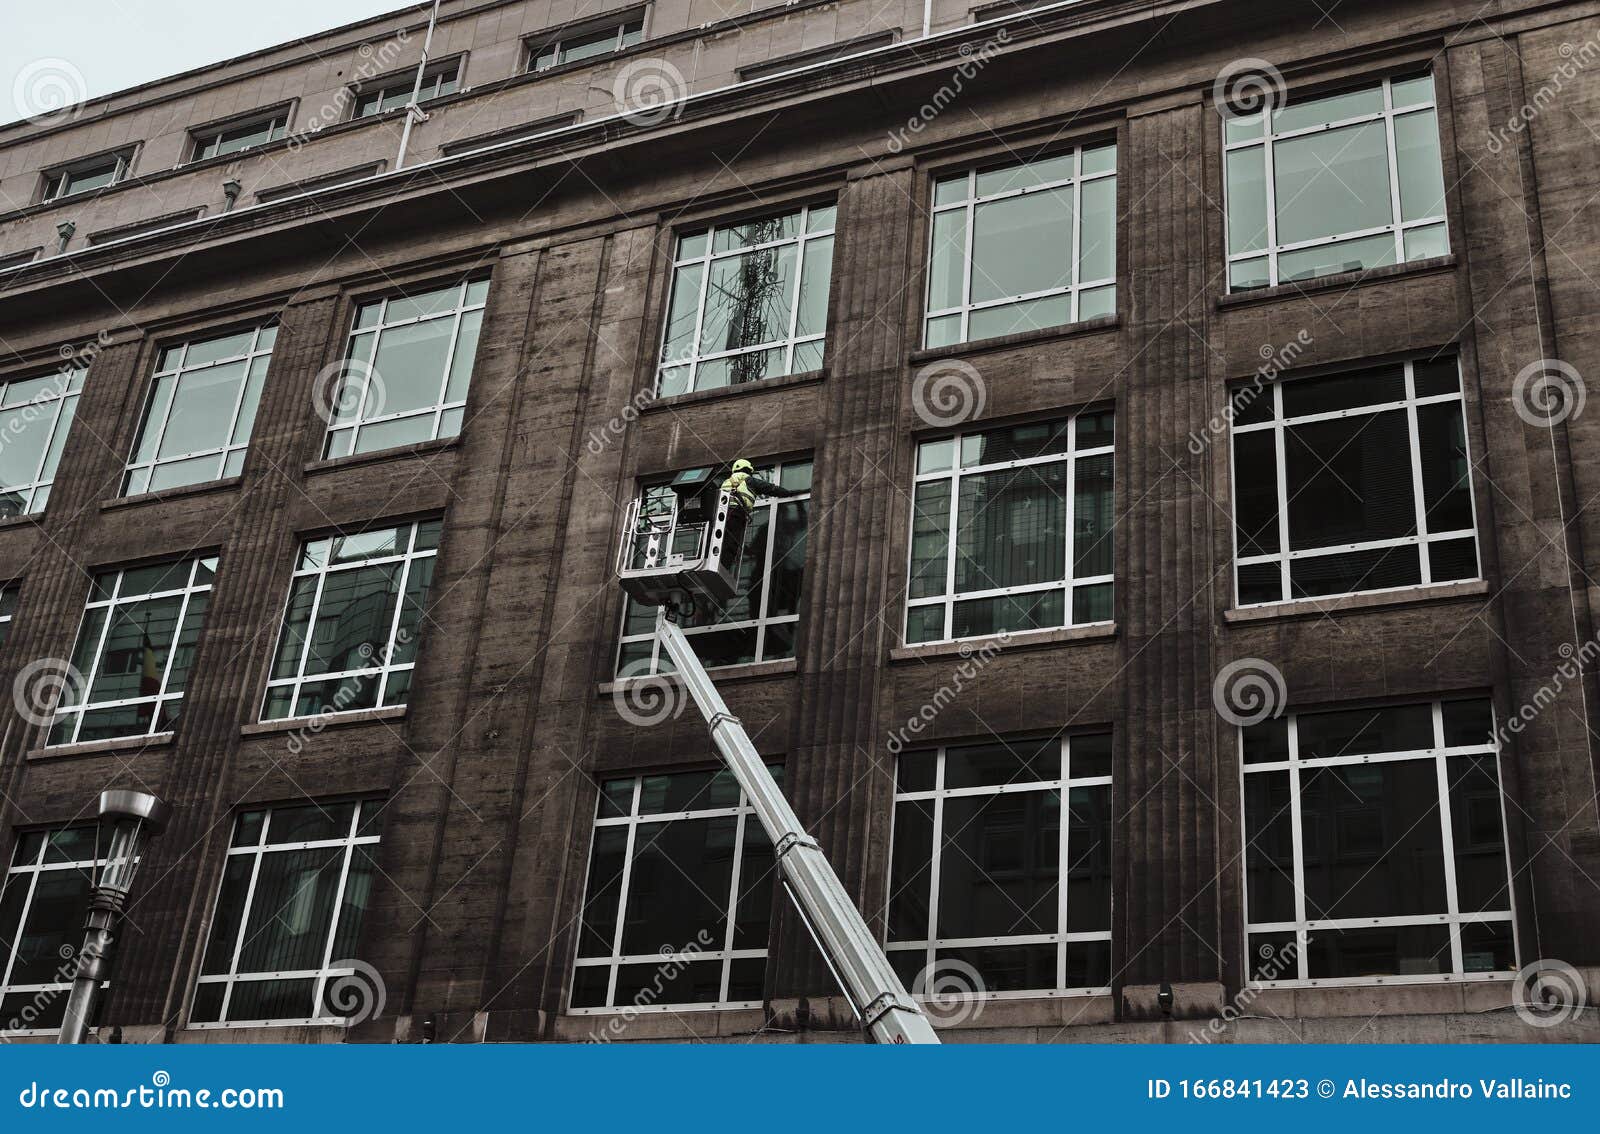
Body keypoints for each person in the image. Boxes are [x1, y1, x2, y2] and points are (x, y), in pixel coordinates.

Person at [722, 458, 800, 514]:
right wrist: (788, 493)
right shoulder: (749, 480)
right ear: (747, 470)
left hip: (722, 513)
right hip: (737, 513)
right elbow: (771, 489)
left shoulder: (726, 482)